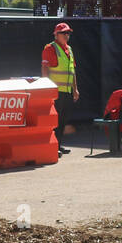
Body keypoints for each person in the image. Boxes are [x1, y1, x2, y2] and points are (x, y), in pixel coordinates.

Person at [41, 22, 79, 154]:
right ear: (56, 35)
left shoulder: (69, 49)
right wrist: (46, 88)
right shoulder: (50, 48)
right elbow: (45, 69)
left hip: (67, 92)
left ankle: (58, 145)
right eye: (64, 33)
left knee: (62, 120)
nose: (67, 35)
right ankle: (52, 147)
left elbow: (72, 71)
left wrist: (75, 89)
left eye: (68, 33)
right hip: (55, 92)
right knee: (54, 121)